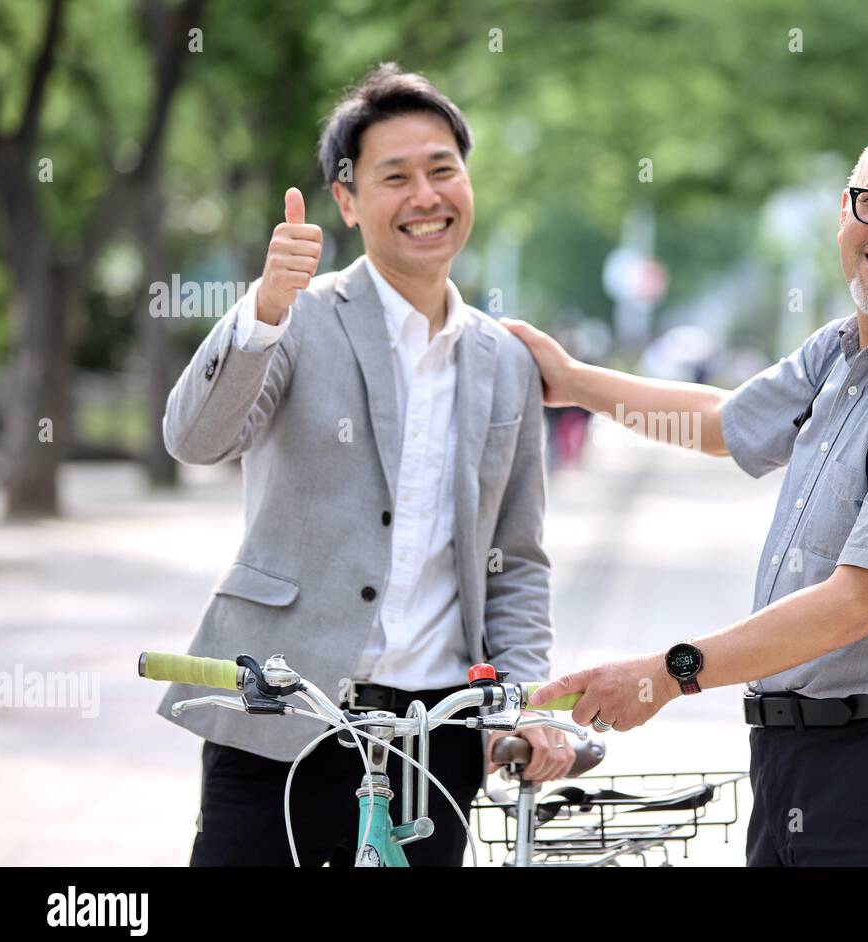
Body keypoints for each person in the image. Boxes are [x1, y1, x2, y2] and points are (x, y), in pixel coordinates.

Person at [509, 116, 868, 866]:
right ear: (844, 212)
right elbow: (722, 422)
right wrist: (576, 382)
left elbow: (851, 605)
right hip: (801, 759)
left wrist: (666, 675)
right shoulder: (845, 352)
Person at [158, 63, 575, 866]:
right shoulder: (301, 320)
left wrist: (521, 702)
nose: (425, 196)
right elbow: (195, 439)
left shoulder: (505, 361)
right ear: (347, 200)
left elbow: (517, 561)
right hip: (278, 723)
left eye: (443, 169)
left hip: (435, 746)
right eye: (395, 176)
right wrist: (264, 309)